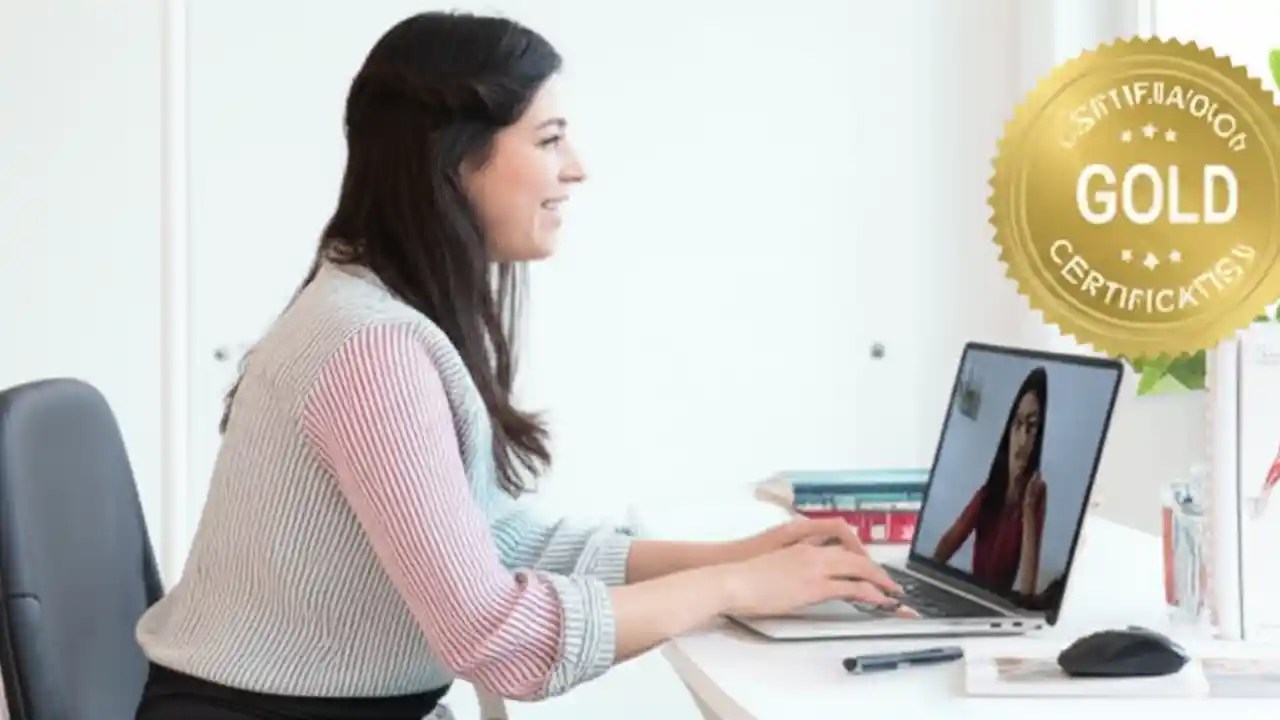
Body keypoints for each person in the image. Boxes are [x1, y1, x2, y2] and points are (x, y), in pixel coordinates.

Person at [132, 11, 909, 720]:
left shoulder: (383, 309)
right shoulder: (371, 350)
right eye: (548, 140)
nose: (577, 168)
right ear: (454, 161)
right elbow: (498, 640)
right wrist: (733, 589)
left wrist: (734, 560)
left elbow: (499, 540)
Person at [932, 366, 1049, 598]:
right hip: (973, 594)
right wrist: (926, 574)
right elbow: (950, 540)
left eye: (1033, 426)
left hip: (999, 600)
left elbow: (1027, 591)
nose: (1023, 438)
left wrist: (1027, 508)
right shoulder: (990, 490)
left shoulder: (1037, 493)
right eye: (1018, 424)